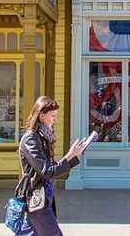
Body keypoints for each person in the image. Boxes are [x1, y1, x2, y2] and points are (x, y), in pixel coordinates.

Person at [15, 96, 86, 236]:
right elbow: (47, 172)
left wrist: (74, 156)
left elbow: (53, 169)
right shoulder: (31, 139)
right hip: (37, 200)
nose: (55, 119)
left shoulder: (43, 137)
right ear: (41, 116)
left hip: (44, 198)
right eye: (52, 115)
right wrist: (70, 155)